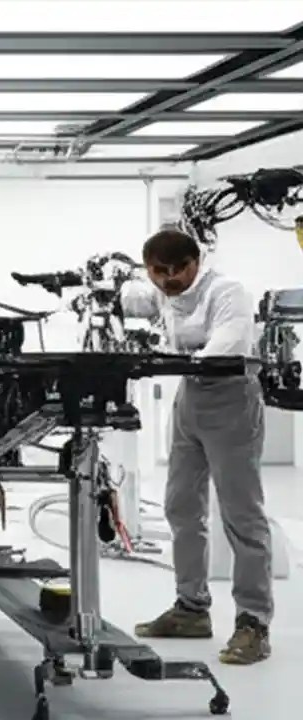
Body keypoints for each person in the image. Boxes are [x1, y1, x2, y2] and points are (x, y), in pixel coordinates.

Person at [118, 229, 273, 665]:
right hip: (190, 400)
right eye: (158, 272)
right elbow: (135, 300)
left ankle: (253, 622)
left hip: (231, 398)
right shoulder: (163, 292)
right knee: (181, 507)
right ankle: (190, 608)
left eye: (176, 271)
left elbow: (229, 343)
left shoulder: (228, 293)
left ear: (195, 262)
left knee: (242, 515)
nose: (168, 280)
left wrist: (172, 360)